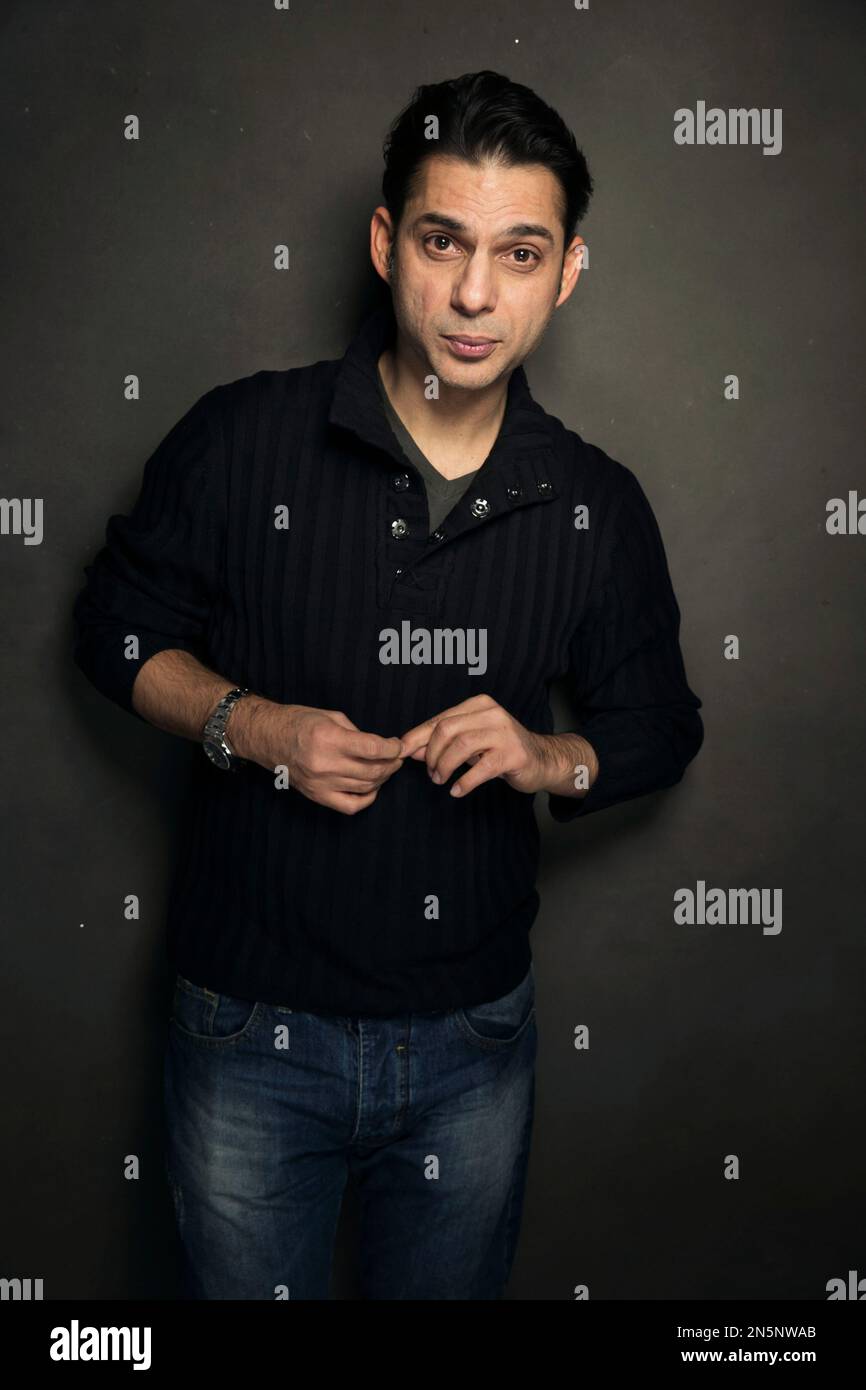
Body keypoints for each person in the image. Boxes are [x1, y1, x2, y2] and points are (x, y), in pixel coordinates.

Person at [72, 69, 704, 1300]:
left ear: (567, 269)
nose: (474, 294)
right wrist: (252, 726)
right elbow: (114, 633)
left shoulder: (595, 504)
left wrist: (547, 756)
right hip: (249, 1033)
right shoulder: (238, 435)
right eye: (441, 242)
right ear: (382, 243)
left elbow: (657, 724)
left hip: (473, 1044)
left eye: (519, 253)